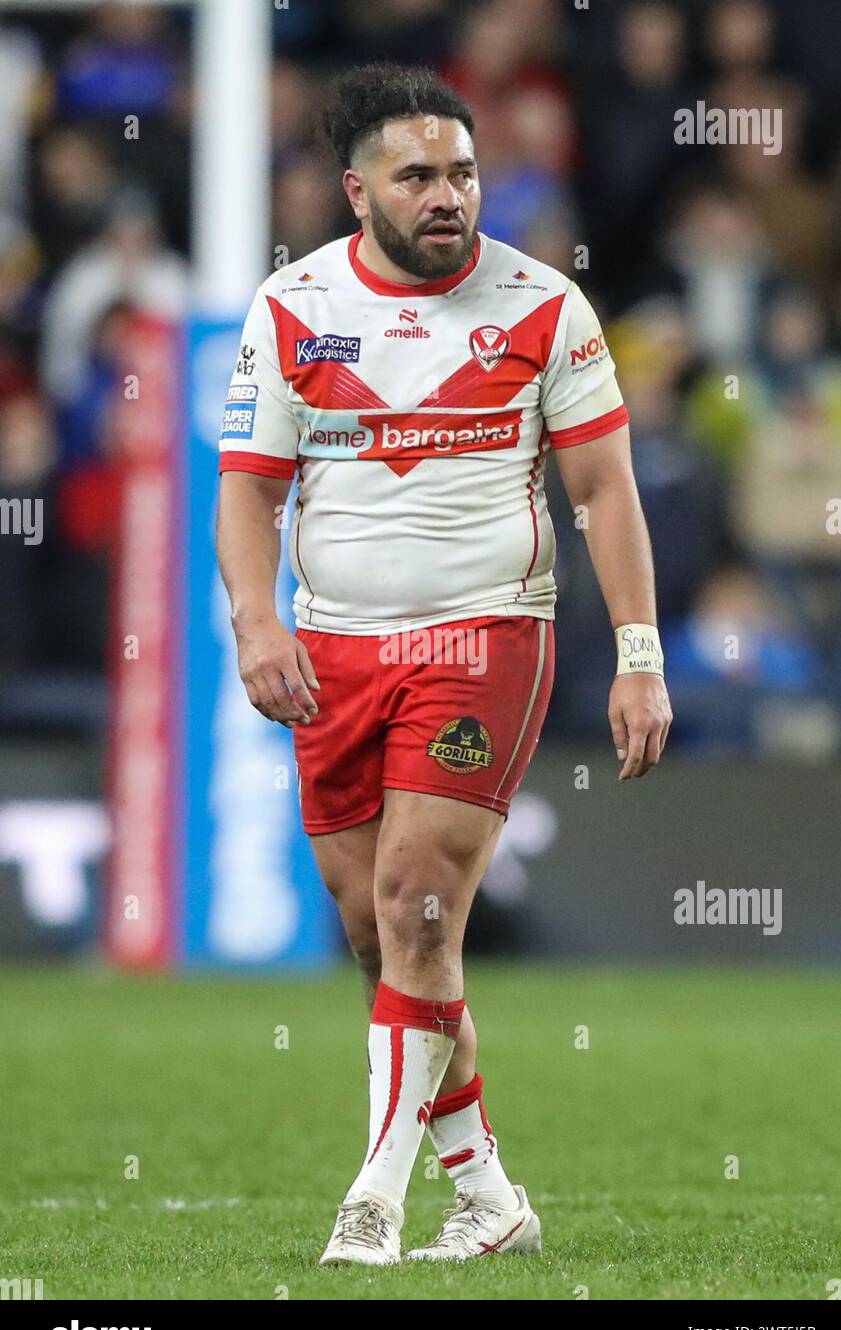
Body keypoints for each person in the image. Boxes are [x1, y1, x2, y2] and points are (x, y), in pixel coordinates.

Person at [216, 63, 672, 1266]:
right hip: (332, 651)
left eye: (461, 172)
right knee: (382, 937)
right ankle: (487, 1193)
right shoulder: (291, 306)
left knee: (420, 906)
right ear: (354, 188)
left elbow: (601, 491)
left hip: (484, 636)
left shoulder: (543, 305)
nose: (446, 196)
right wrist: (257, 627)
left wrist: (638, 654)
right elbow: (249, 494)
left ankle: (371, 1197)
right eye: (416, 175)